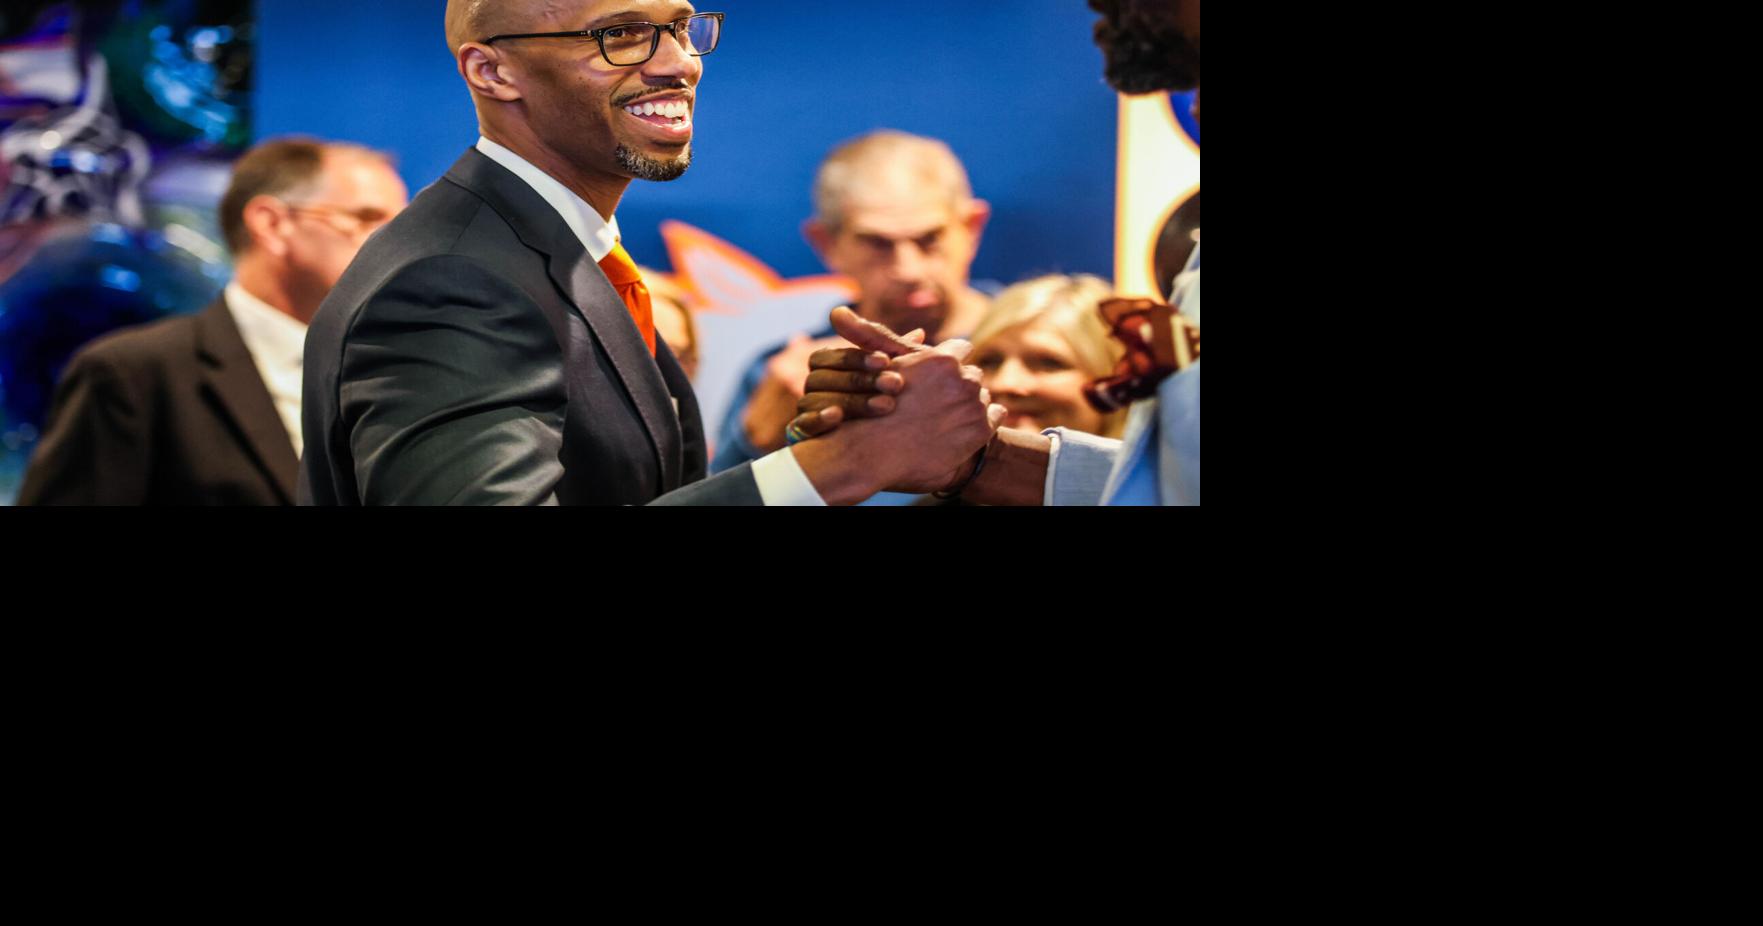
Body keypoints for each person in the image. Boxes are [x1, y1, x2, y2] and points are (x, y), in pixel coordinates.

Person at [298, 1, 999, 506]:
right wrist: (843, 465)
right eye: (622, 35)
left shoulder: (550, 249)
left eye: (680, 27)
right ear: (492, 70)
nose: (679, 62)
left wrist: (800, 446)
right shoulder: (452, 281)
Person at [793, 0, 1201, 506]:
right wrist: (970, 459)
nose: (1010, 383)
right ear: (825, 243)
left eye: (1047, 363)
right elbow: (1169, 484)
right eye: (989, 360)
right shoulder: (789, 366)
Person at [16, 137, 408, 505]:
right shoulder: (131, 373)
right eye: (368, 219)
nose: (397, 245)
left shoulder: (395, 375)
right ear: (272, 224)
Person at [709, 130, 993, 498]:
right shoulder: (791, 376)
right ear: (826, 243)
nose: (908, 269)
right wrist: (755, 442)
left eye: (930, 239)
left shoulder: (1045, 342)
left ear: (972, 228)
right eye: (877, 243)